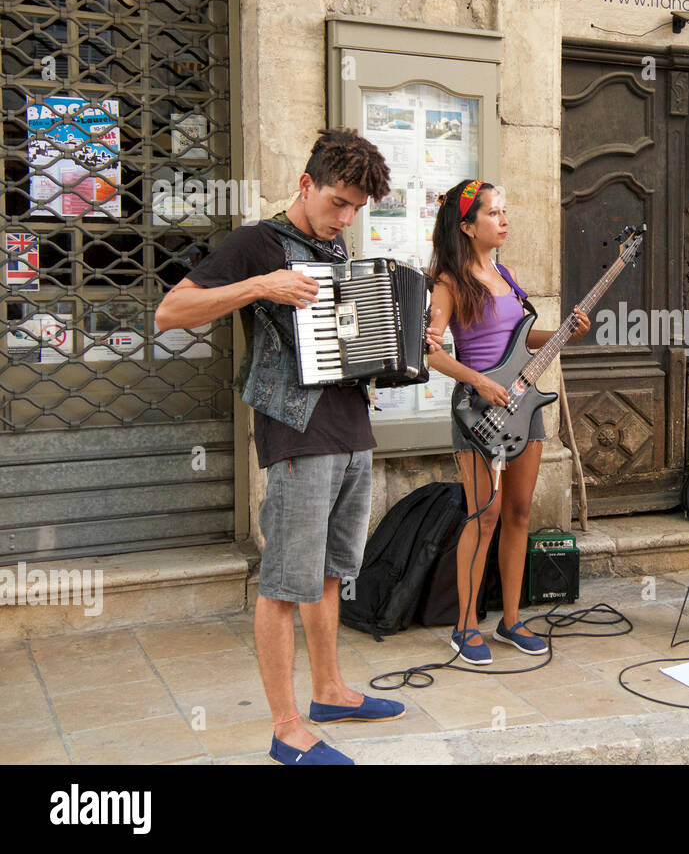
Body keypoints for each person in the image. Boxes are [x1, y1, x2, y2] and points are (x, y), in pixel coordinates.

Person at [155, 129, 403, 765]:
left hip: (351, 423)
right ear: (305, 184)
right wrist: (261, 286)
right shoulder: (257, 242)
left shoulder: (337, 243)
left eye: (355, 208)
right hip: (295, 428)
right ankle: (286, 727)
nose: (345, 217)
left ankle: (330, 692)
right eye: (337, 202)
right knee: (284, 582)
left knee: (328, 571)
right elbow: (172, 311)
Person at [424, 179, 590, 665]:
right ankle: (464, 626)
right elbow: (431, 351)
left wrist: (564, 334)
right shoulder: (448, 282)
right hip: (478, 411)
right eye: (494, 214)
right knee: (484, 514)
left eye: (504, 211)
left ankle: (511, 620)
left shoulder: (509, 275)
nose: (504, 221)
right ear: (467, 226)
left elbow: (521, 338)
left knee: (519, 513)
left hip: (523, 407)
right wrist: (477, 381)